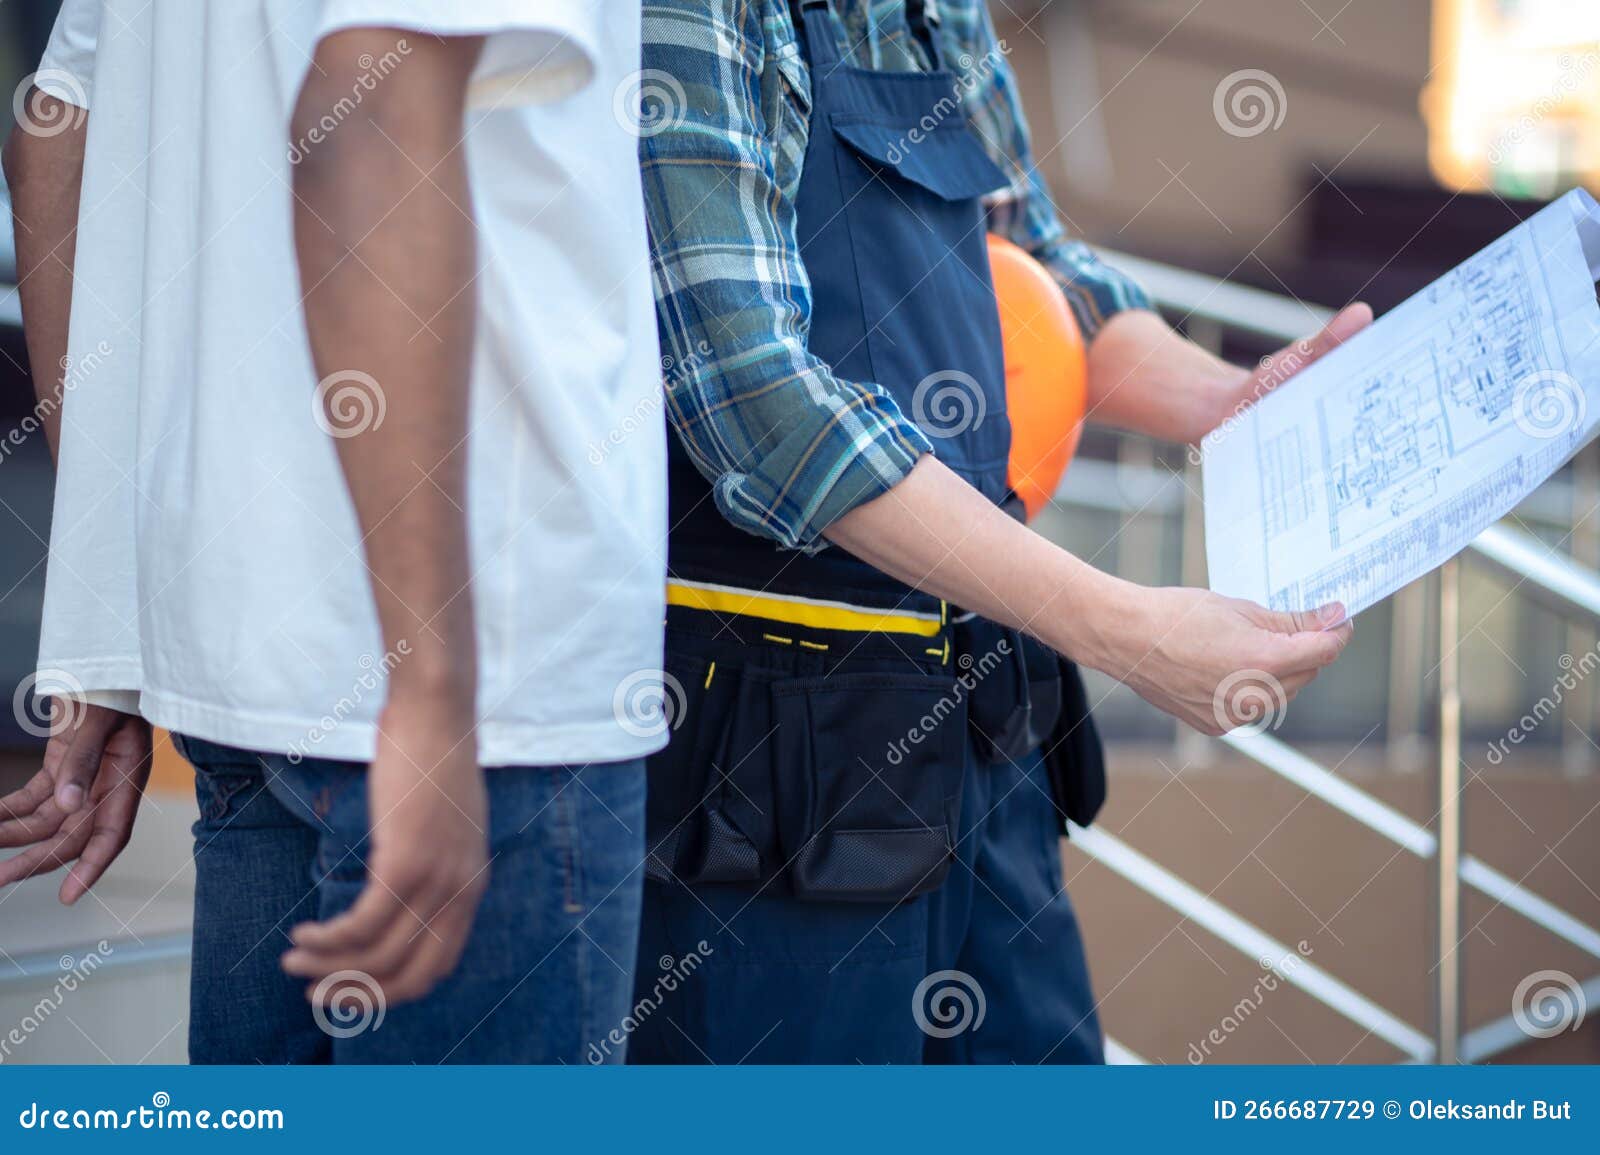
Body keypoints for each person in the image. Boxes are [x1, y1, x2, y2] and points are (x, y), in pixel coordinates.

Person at [629, 0, 1370, 1063]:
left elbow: (1035, 266)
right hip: (770, 768)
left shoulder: (937, 13)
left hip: (982, 721)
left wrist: (1235, 398)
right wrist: (1122, 631)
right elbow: (760, 408)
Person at [0, 0, 665, 1064]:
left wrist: (111, 635)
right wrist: (436, 694)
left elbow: (53, 134)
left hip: (249, 674)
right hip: (479, 681)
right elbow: (372, 110)